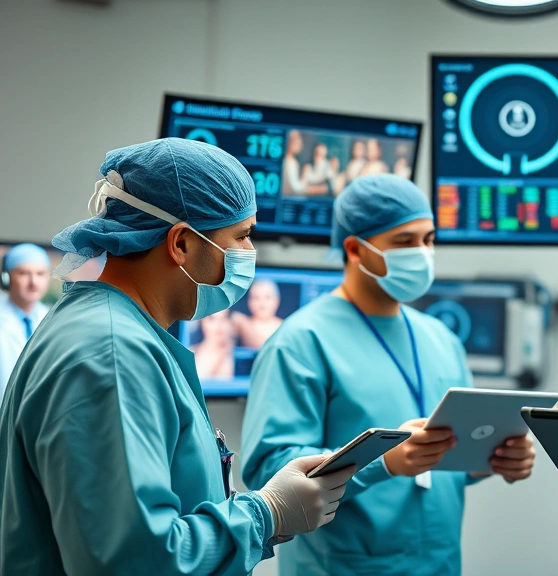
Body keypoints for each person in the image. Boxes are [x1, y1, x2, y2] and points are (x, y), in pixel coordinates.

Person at [0, 138, 356, 575]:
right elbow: (134, 560)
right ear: (182, 243)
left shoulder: (118, 332)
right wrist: (265, 514)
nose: (249, 255)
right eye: (242, 236)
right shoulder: (111, 356)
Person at [242, 174, 537, 576]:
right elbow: (270, 473)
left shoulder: (440, 339)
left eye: (429, 239)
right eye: (404, 242)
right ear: (354, 249)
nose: (423, 253)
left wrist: (491, 458)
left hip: (439, 564)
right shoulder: (301, 342)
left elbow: (442, 467)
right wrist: (385, 464)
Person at [0, 243, 51, 396]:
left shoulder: (52, 319)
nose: (33, 282)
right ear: (6, 277)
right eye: (23, 273)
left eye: (40, 274)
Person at [231, 278, 284, 348]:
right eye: (256, 298)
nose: (262, 303)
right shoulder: (242, 323)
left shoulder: (284, 327)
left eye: (267, 297)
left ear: (277, 300)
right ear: (249, 301)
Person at [192, 309, 237, 380]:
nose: (218, 326)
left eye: (224, 318)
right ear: (201, 322)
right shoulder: (189, 352)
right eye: (212, 319)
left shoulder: (236, 354)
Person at [282, 130, 329, 196]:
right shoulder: (287, 162)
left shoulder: (293, 161)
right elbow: (295, 189)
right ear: (289, 142)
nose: (300, 143)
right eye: (297, 140)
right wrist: (316, 189)